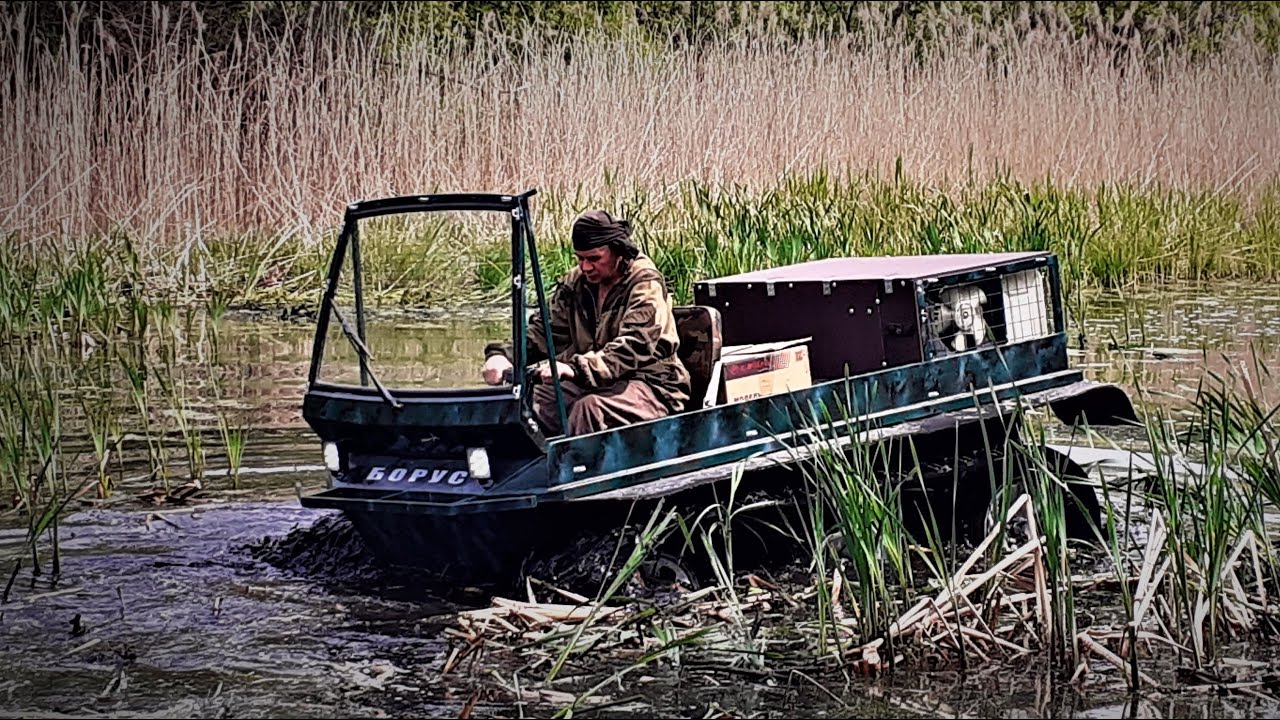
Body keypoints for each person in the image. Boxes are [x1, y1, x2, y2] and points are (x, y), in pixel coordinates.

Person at [481, 209, 691, 436]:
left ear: (617, 252)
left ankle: (578, 469)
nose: (585, 267)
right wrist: (503, 355)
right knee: (533, 401)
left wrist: (575, 368)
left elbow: (636, 345)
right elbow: (545, 332)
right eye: (580, 258)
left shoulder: (644, 283)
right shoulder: (577, 283)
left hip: (652, 384)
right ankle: (520, 466)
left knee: (590, 410)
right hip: (594, 380)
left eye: (594, 259)